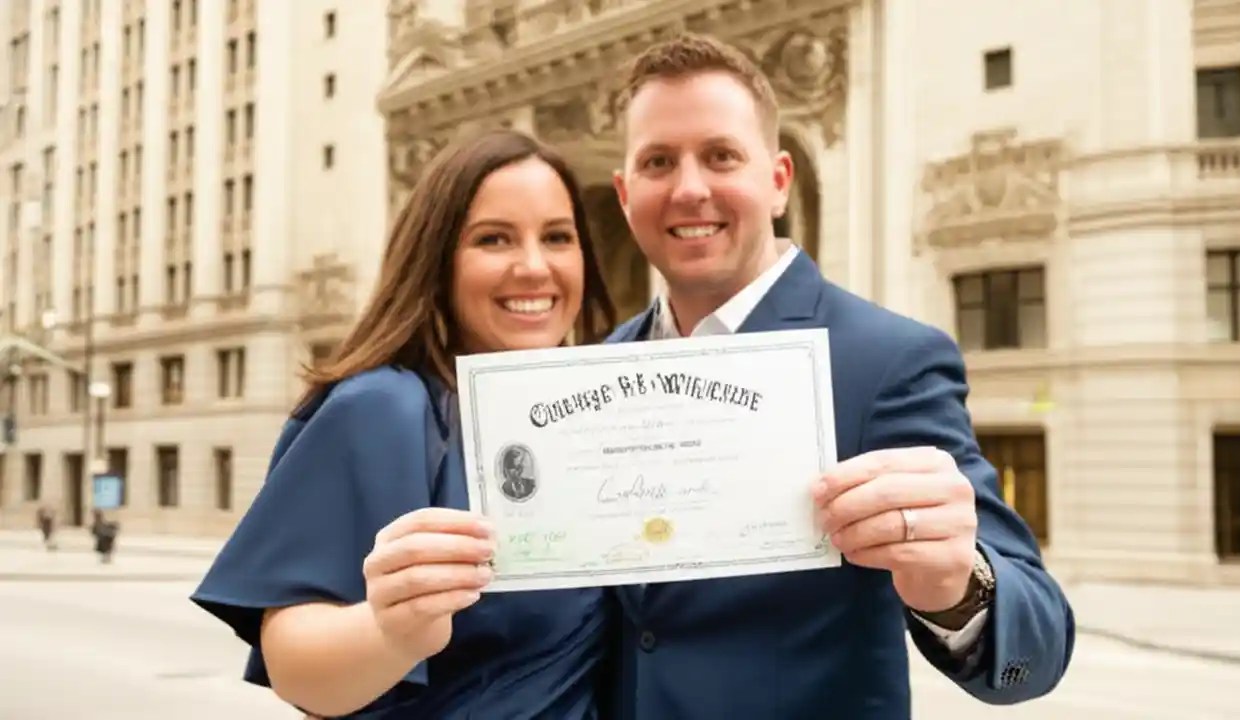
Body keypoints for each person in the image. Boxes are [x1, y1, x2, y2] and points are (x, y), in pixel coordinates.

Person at [603, 33, 1075, 718]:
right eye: (657, 162)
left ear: (778, 181)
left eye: (720, 156)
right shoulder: (602, 368)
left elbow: (1038, 652)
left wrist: (957, 580)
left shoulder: (889, 361)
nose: (689, 188)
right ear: (624, 193)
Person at [190, 128, 617, 718]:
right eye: (493, 239)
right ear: (437, 260)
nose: (534, 266)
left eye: (557, 237)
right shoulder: (384, 408)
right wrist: (391, 629)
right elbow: (292, 663)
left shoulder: (602, 416)